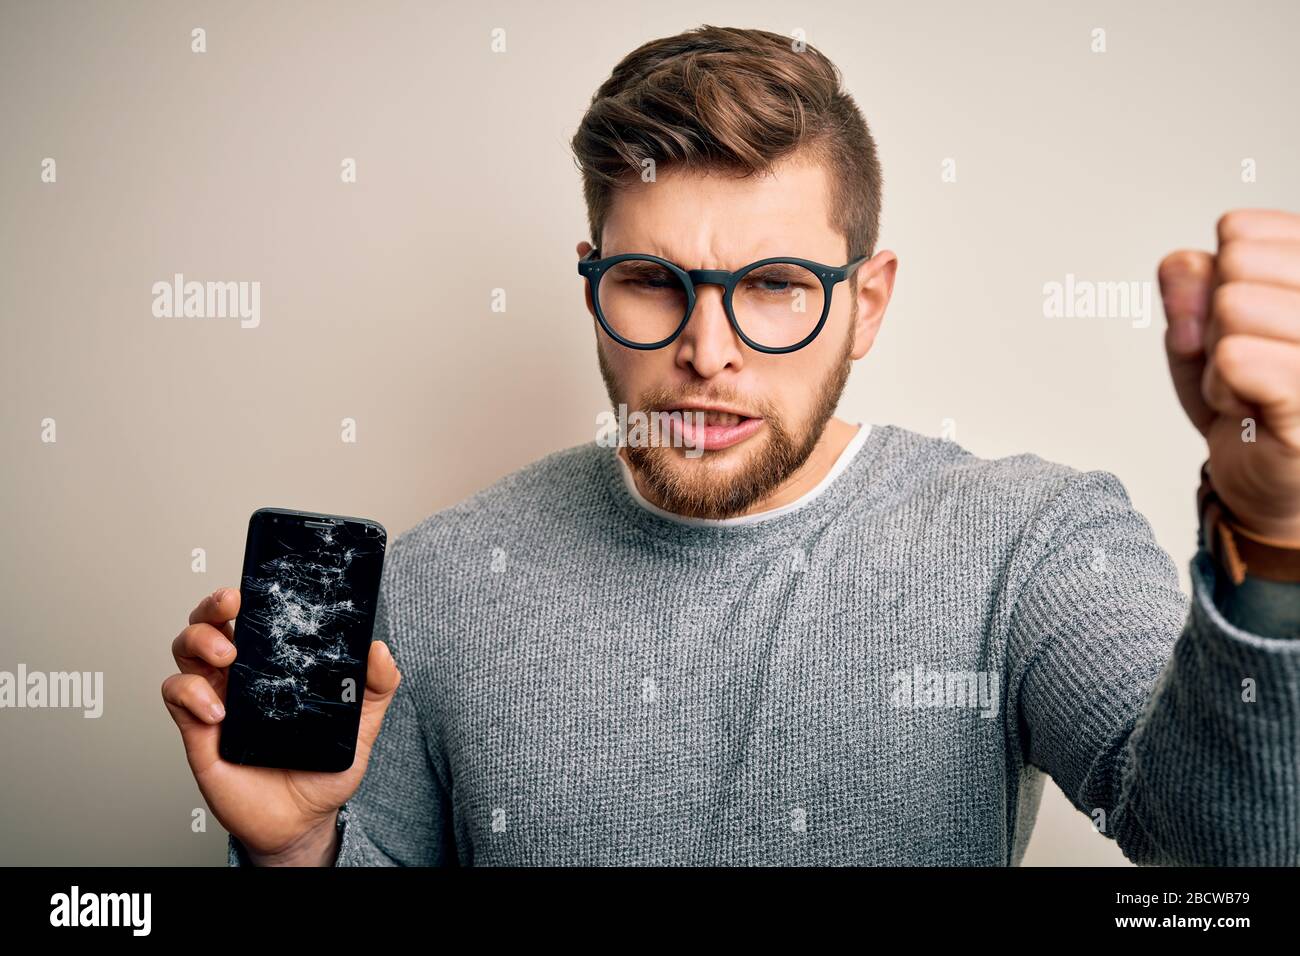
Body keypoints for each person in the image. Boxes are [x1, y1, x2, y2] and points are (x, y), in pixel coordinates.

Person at [163, 24, 1300, 866]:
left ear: (868, 300)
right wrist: (291, 852)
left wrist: (1275, 533)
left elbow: (1230, 855)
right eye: (652, 281)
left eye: (771, 285)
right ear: (592, 280)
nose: (708, 349)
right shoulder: (440, 578)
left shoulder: (1026, 540)